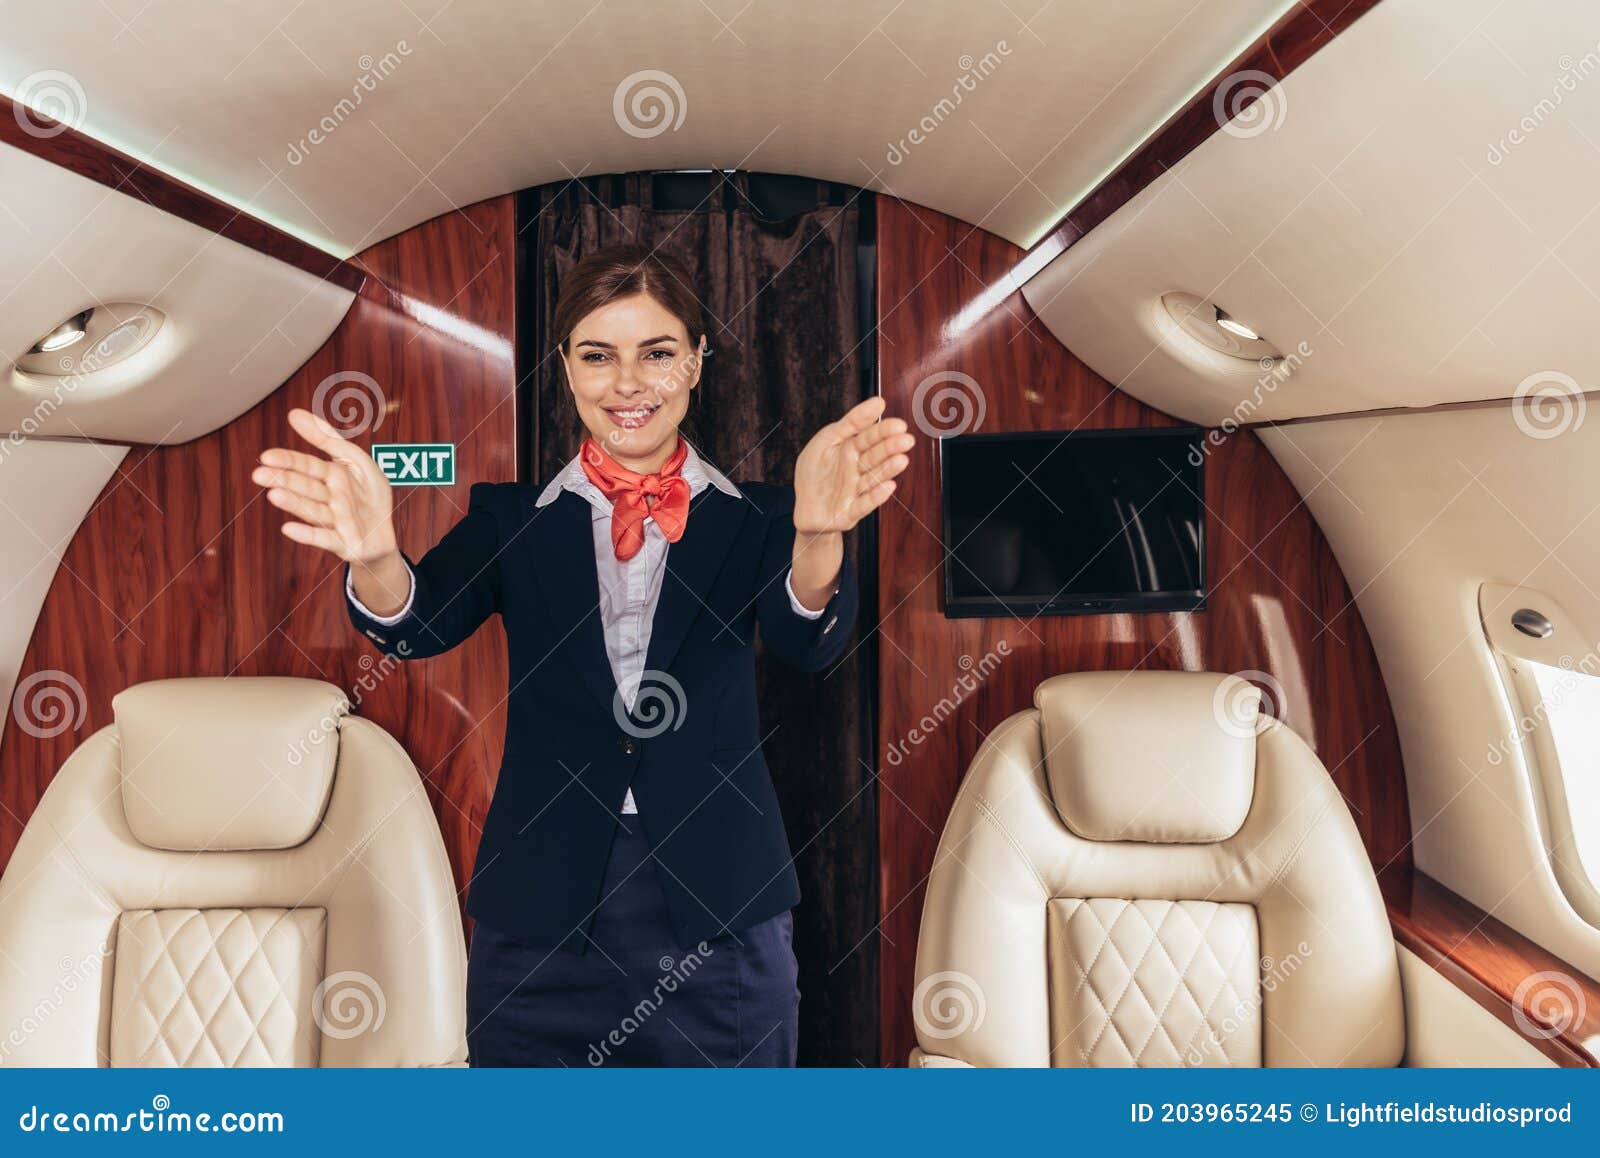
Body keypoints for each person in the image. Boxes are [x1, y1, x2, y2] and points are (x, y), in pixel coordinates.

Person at [250, 244, 914, 1066]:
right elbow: (416, 626)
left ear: (699, 362)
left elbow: (804, 641)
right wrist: (377, 560)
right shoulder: (511, 520)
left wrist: (816, 538)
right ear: (565, 368)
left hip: (721, 907)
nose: (627, 384)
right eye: (598, 356)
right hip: (542, 910)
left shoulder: (764, 517)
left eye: (658, 353)